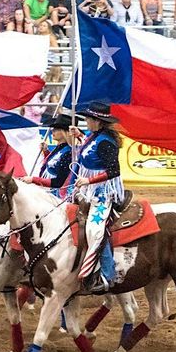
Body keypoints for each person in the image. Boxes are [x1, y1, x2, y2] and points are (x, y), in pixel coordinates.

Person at [72, 103, 124, 294]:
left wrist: (88, 180)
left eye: (87, 119)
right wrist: (78, 135)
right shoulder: (93, 137)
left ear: (97, 121)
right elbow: (87, 146)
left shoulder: (105, 142)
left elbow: (114, 170)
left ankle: (107, 274)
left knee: (95, 229)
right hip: (89, 190)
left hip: (103, 192)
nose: (86, 122)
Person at [20, 114, 78, 198]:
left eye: (56, 129)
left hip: (57, 195)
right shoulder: (61, 148)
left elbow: (59, 181)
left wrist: (33, 179)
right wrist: (46, 152)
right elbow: (54, 164)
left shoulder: (69, 152)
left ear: (64, 132)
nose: (52, 131)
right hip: (50, 190)